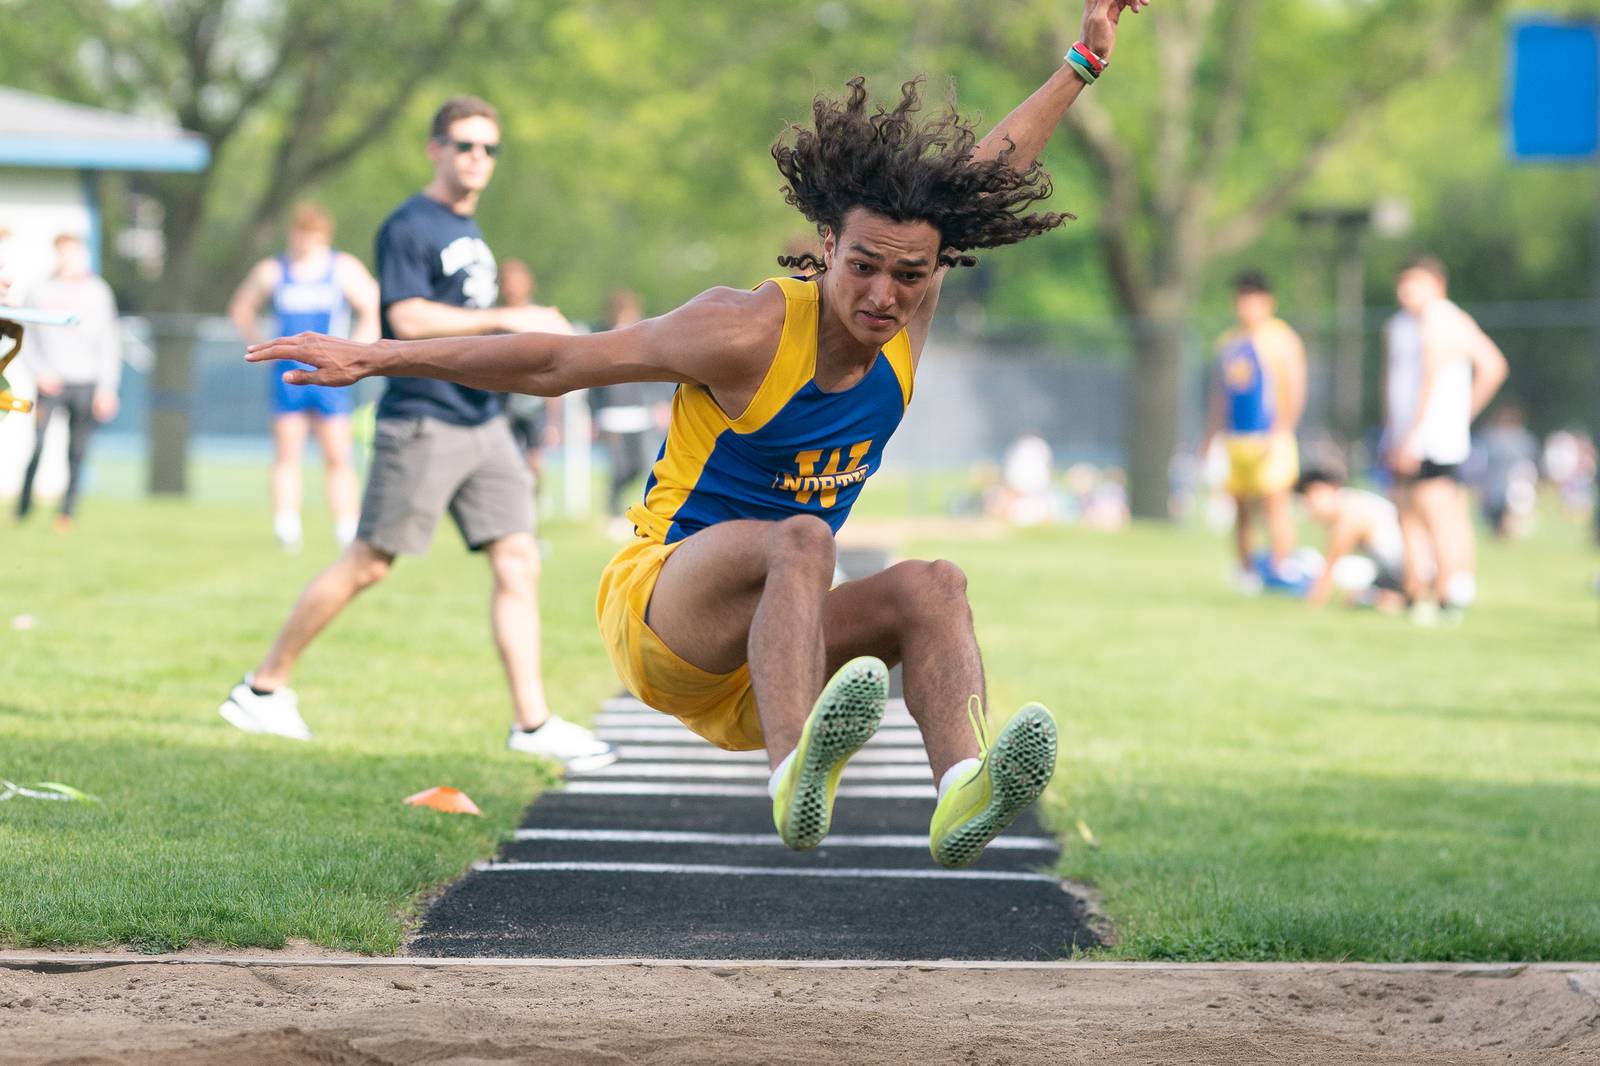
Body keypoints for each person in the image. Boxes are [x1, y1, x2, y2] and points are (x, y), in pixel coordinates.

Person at [246, 0, 1152, 868]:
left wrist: (1086, 60)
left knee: (935, 588)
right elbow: (560, 363)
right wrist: (379, 355)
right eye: (865, 268)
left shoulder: (910, 312)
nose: (885, 296)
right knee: (804, 539)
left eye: (908, 275)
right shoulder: (746, 329)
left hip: (774, 652)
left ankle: (962, 785)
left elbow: (978, 179)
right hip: (665, 613)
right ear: (828, 246)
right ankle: (797, 771)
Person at [219, 96, 616, 771]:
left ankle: (532, 722)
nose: (477, 160)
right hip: (424, 419)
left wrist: (507, 327)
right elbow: (404, 320)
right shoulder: (410, 224)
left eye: (489, 149)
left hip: (481, 417)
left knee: (519, 559)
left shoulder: (469, 227)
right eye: (464, 146)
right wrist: (510, 317)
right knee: (370, 564)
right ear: (435, 149)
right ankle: (262, 687)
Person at [228, 204, 381, 551]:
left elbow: (372, 305)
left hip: (331, 373)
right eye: (300, 233)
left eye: (312, 235)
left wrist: (357, 350)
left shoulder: (341, 268)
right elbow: (242, 307)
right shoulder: (273, 270)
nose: (305, 242)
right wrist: (260, 346)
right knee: (287, 452)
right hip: (287, 374)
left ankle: (346, 527)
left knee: (338, 454)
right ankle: (286, 526)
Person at [1382, 255, 1508, 623]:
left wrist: (1450, 419)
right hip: (1406, 434)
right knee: (1406, 509)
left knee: (1437, 512)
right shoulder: (1401, 325)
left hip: (1429, 439)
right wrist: (1393, 430)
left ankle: (1447, 595)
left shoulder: (1442, 320)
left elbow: (1486, 368)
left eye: (1416, 282)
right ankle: (1414, 590)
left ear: (1438, 285)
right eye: (1403, 282)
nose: (1407, 290)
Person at [1201, 271, 1307, 593]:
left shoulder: (1281, 339)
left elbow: (1294, 389)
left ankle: (1282, 567)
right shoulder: (1230, 342)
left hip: (1269, 437)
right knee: (1241, 507)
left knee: (1275, 505)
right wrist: (1210, 437)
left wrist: (1279, 433)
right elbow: (1222, 395)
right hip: (1237, 439)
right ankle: (1246, 571)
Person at [15, 234, 122, 532]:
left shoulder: (98, 292)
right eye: (63, 253)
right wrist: (39, 372)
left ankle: (67, 512)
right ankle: (23, 507)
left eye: (73, 253)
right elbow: (24, 336)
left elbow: (109, 342)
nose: (68, 259)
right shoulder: (39, 290)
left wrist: (107, 387)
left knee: (77, 451)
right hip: (50, 382)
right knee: (37, 445)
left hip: (85, 382)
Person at [1294, 468, 1410, 611]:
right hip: (1397, 571)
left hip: (1413, 572)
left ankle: (1406, 597)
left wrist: (1314, 601)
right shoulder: (1351, 502)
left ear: (1331, 489)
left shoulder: (1349, 514)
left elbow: (1331, 565)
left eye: (1312, 496)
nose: (1309, 505)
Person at [589, 289, 657, 531]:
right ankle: (613, 511)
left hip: (637, 414)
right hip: (611, 416)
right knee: (618, 466)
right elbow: (592, 383)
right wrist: (594, 416)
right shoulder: (602, 336)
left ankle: (619, 507)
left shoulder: (643, 337)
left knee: (638, 465)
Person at [498, 258, 561, 496]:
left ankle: (531, 514)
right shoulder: (494, 320)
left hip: (533, 405)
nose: (512, 287)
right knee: (507, 466)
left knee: (534, 464)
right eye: (507, 282)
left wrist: (553, 421)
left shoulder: (539, 319)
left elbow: (554, 368)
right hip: (504, 406)